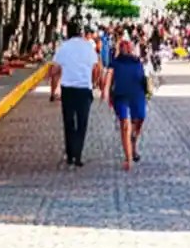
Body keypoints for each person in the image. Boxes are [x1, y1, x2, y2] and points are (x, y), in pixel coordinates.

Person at [51, 23, 102, 167]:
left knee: (68, 122)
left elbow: (54, 70)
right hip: (84, 89)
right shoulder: (88, 47)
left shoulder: (63, 47)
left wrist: (53, 90)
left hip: (68, 88)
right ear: (80, 32)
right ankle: (78, 154)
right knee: (82, 123)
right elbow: (96, 68)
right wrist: (93, 82)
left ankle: (70, 154)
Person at [105, 38, 149, 171]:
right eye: (122, 47)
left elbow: (144, 79)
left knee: (140, 118)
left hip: (137, 95)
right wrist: (106, 92)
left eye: (126, 46)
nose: (125, 49)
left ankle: (133, 141)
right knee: (125, 124)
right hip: (121, 96)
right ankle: (128, 157)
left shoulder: (137, 63)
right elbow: (109, 78)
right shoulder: (115, 63)